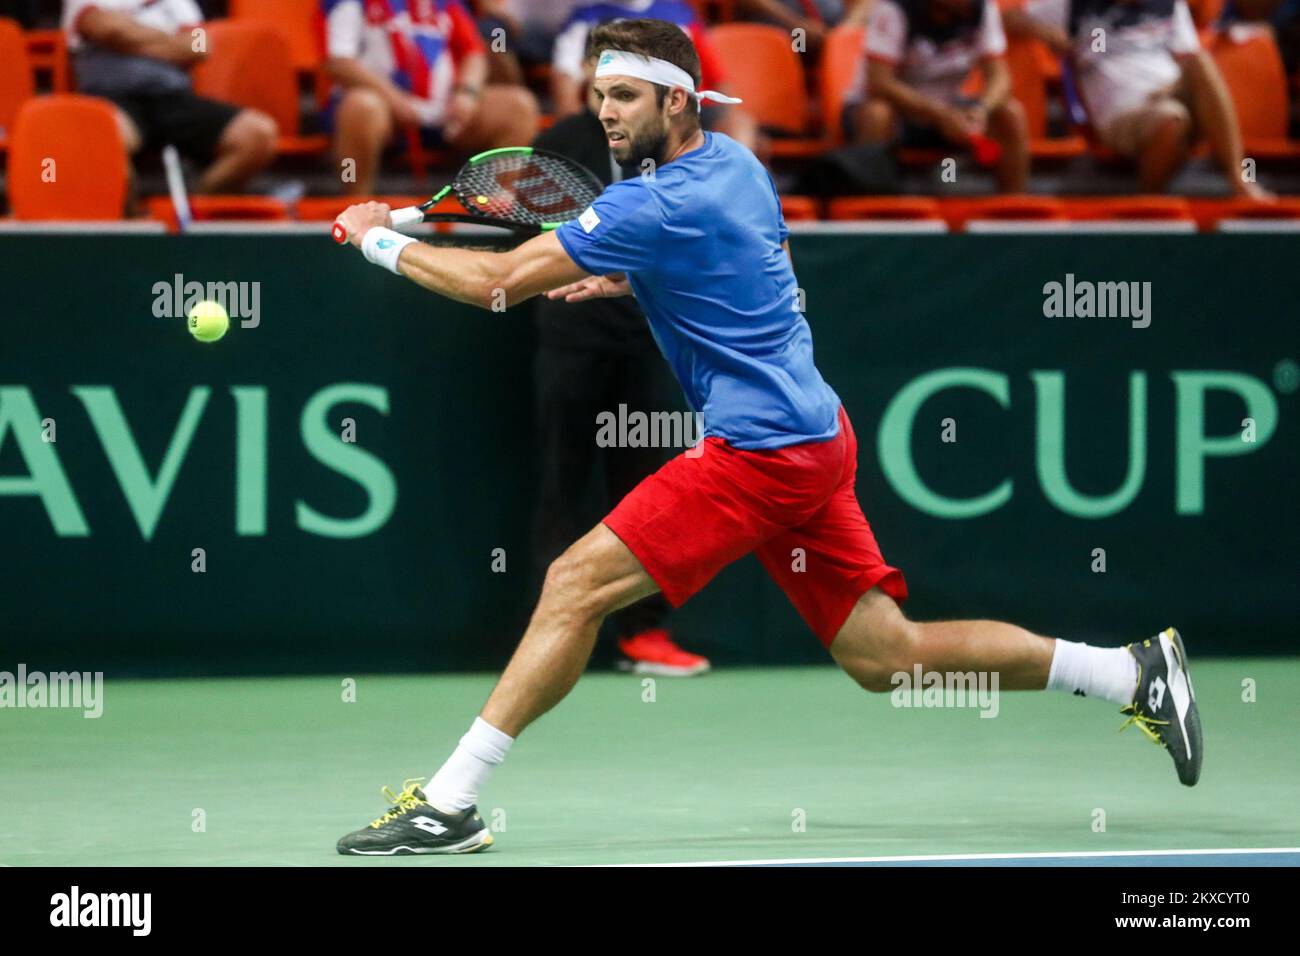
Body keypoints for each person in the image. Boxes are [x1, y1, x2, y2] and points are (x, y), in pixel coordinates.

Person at [331, 16, 1201, 856]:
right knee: (884, 654)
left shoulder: (650, 206)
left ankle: (450, 803)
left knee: (573, 584)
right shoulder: (735, 165)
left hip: (762, 453)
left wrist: (378, 242)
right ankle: (1129, 672)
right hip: (815, 434)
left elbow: (501, 284)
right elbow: (730, 270)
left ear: (680, 103)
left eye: (627, 96)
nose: (605, 113)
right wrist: (636, 284)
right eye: (600, 94)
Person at [531, 44, 710, 678]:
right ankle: (548, 642)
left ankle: (645, 635)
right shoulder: (557, 139)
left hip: (645, 334)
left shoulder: (669, 146)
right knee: (563, 484)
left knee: (646, 488)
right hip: (572, 332)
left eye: (625, 84)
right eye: (601, 79)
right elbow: (535, 235)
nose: (609, 94)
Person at [1003, 0, 1272, 196]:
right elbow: (1009, 17)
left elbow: (1189, 61)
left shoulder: (1170, 5)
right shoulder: (1074, 6)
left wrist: (1168, 91)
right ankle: (1148, 204)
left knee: (1200, 63)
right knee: (1170, 119)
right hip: (1124, 109)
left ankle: (1240, 180)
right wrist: (1046, 32)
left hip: (1170, 92)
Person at [321, 0, 540, 196]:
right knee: (363, 106)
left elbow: (473, 51)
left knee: (519, 106)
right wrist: (395, 100)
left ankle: (502, 207)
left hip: (444, 109)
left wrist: (467, 92)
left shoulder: (446, 3)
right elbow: (339, 62)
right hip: (383, 110)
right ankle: (355, 201)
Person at [62, 0, 278, 194]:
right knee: (108, 139)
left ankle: (196, 208)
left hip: (173, 98)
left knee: (258, 134)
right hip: (112, 98)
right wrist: (174, 43)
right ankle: (134, 224)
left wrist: (128, 37)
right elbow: (105, 29)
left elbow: (201, 47)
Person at [843, 0, 1030, 192]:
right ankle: (872, 209)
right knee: (877, 113)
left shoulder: (983, 8)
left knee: (1010, 113)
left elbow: (1000, 76)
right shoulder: (893, 7)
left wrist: (981, 110)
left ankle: (1013, 208)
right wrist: (939, 115)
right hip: (896, 109)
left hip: (949, 109)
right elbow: (879, 83)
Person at [551, 1, 762, 154]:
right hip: (619, 117)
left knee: (739, 124)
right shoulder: (583, 20)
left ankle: (728, 198)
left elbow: (717, 80)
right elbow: (566, 93)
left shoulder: (681, 14)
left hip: (685, 112)